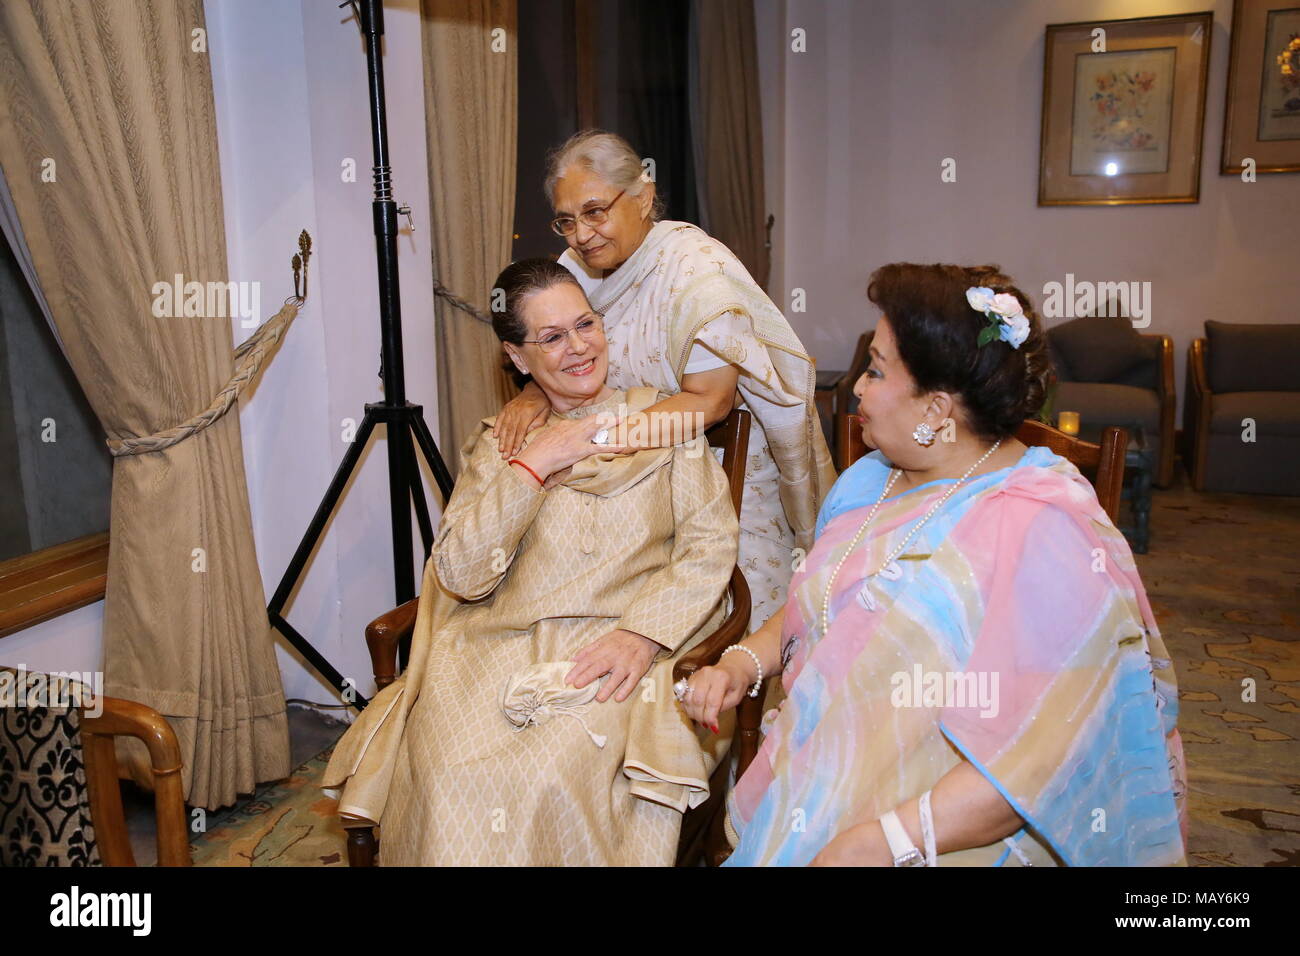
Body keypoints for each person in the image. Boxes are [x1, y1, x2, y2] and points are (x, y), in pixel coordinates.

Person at [680, 263, 1188, 866]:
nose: (858, 390)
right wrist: (741, 662)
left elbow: (1044, 755)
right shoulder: (869, 480)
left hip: (953, 831)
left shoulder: (1048, 531)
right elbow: (817, 609)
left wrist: (885, 841)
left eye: (875, 370)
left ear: (936, 407)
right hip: (818, 785)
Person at [321, 258, 739, 865]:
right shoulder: (504, 444)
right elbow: (461, 574)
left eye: (585, 325)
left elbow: (709, 547)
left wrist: (643, 636)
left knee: (546, 777)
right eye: (551, 337)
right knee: (445, 776)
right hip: (490, 648)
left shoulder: (664, 424)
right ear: (518, 359)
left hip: (611, 649)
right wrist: (533, 466)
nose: (578, 347)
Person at [493, 130, 836, 635]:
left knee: (700, 635)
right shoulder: (572, 270)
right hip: (612, 489)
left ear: (643, 197)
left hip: (716, 485)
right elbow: (552, 355)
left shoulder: (697, 270)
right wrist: (531, 394)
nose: (581, 235)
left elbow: (710, 402)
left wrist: (591, 441)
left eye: (595, 212)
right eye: (567, 220)